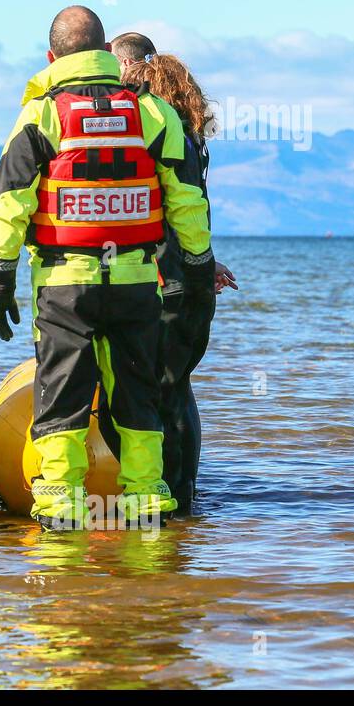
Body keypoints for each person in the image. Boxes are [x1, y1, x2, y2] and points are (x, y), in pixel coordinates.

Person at [0, 6, 214, 529]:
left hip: (66, 287)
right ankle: (148, 508)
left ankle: (62, 513)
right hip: (135, 283)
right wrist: (198, 265)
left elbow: (9, 204)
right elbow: (188, 199)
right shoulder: (154, 114)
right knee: (139, 398)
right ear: (105, 54)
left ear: (51, 57)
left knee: (60, 398)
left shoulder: (41, 115)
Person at [120, 47, 238, 508]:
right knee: (177, 389)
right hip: (190, 284)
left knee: (154, 394)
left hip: (163, 285)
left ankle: (167, 499)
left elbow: (161, 220)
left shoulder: (156, 142)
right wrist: (206, 264)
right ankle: (186, 498)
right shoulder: (193, 144)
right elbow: (191, 218)